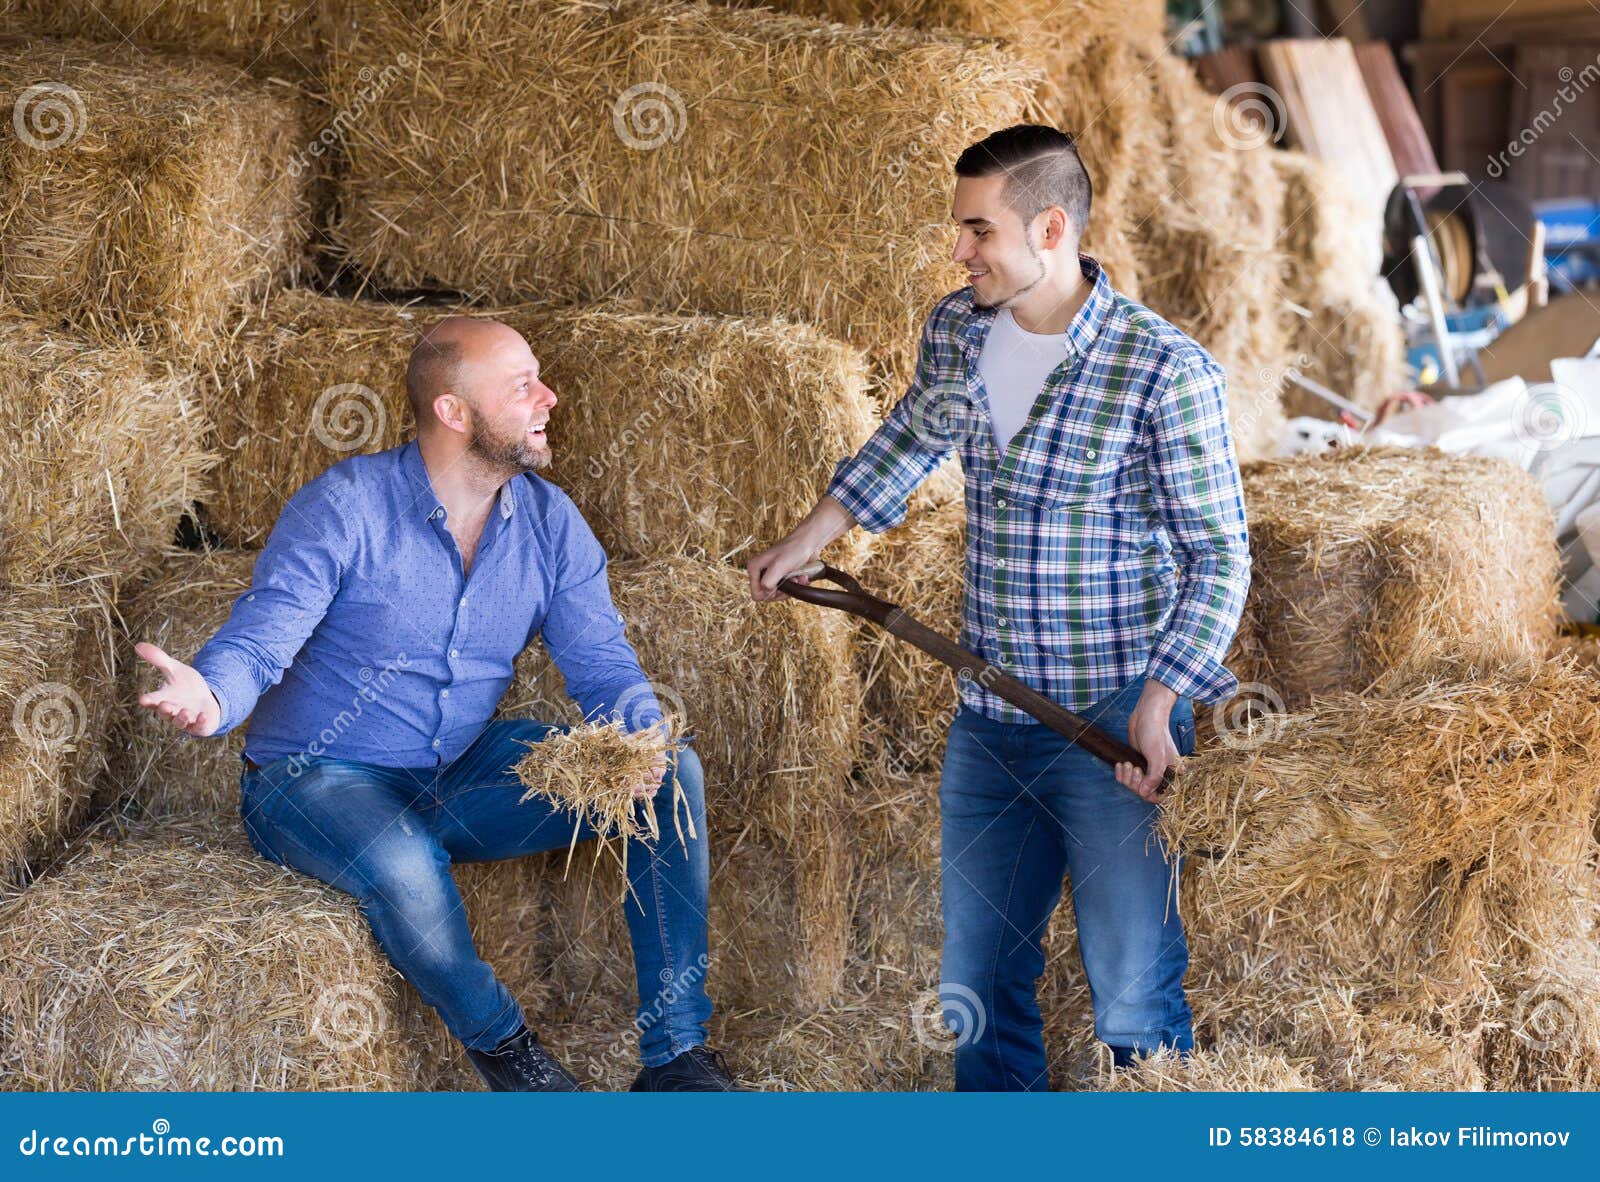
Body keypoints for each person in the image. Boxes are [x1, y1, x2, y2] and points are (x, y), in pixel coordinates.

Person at [747, 124, 1251, 1090]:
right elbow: (907, 440)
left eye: (978, 230)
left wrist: (1159, 702)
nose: (959, 251)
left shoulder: (1162, 369)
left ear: (1050, 227)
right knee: (976, 988)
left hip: (1108, 720)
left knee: (1135, 995)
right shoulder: (958, 329)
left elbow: (1219, 556)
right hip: (989, 717)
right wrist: (804, 544)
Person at [136, 315, 743, 1091]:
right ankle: (509, 1055)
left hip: (455, 773)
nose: (549, 397)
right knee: (407, 865)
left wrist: (638, 737)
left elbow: (602, 666)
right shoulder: (347, 506)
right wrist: (212, 694)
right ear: (454, 412)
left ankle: (677, 1056)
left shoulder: (552, 524)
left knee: (674, 777)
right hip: (315, 780)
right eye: (523, 384)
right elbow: (262, 639)